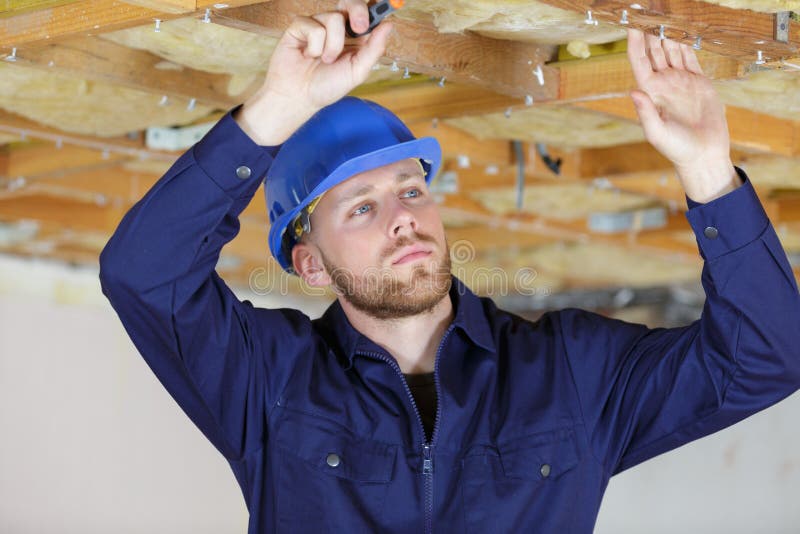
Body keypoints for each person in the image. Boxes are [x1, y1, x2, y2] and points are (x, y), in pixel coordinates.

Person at [99, 1, 800, 532]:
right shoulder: (271, 385)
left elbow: (768, 355)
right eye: (361, 208)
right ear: (310, 265)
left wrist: (709, 170)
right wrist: (275, 109)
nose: (403, 215)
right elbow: (143, 273)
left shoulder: (571, 377)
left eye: (410, 189)